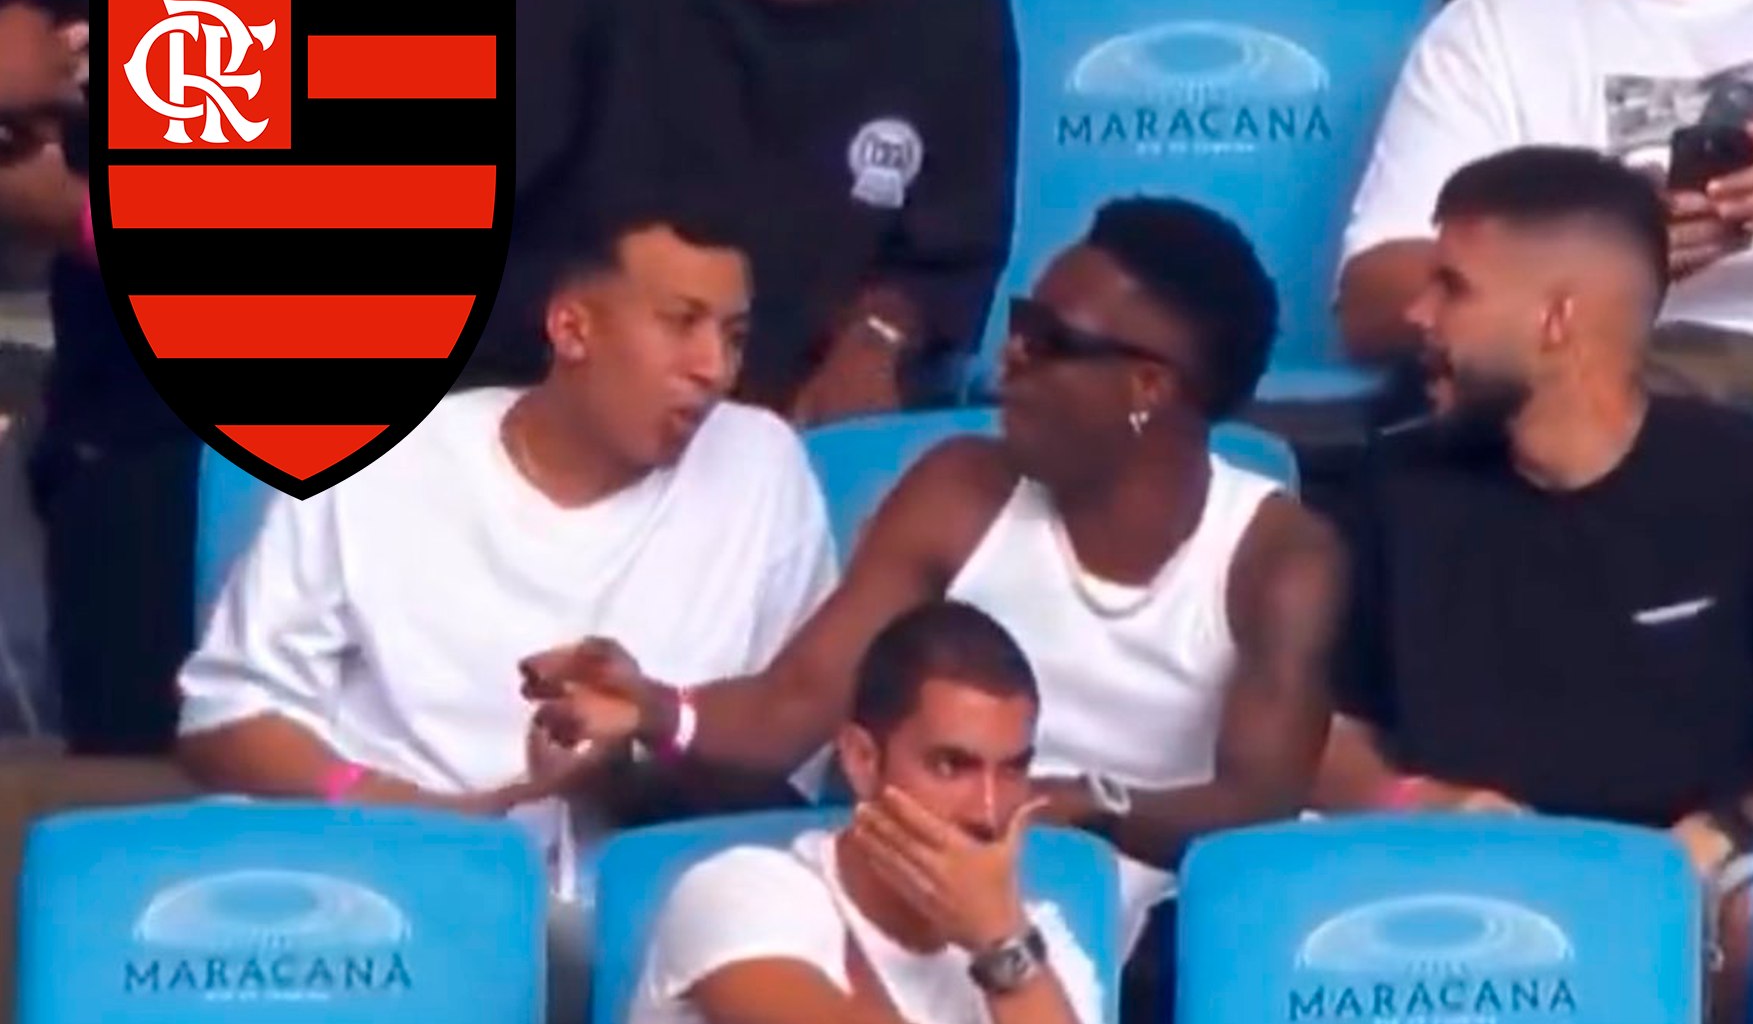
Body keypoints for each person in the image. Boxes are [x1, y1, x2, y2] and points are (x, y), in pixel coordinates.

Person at [523, 197, 1344, 1024]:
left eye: (1049, 339)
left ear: (1147, 388)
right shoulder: (960, 488)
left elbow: (1256, 807)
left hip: (1125, 913)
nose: (1008, 354)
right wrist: (654, 707)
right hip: (924, 883)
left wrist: (1080, 808)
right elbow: (795, 704)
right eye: (1020, 320)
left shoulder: (1280, 559)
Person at [173, 203, 837, 1024]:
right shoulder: (383, 458)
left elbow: (783, 782)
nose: (714, 368)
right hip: (396, 901)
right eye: (682, 324)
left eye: (735, 337)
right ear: (572, 328)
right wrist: (389, 803)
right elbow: (225, 716)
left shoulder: (761, 465)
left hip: (647, 933)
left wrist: (629, 767)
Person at [1315, 146, 1753, 1024]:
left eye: (1453, 286)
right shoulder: (1393, 488)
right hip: (1458, 874)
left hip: (1706, 875)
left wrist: (1727, 834)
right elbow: (1324, 740)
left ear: (1557, 319)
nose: (1417, 312)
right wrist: (1423, 803)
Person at [1335, 0, 1753, 667]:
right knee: (1558, 403)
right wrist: (1596, 255)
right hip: (1629, 368)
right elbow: (1370, 300)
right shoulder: (1497, 25)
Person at [0, 0, 405, 757]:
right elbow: (14, 99)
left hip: (390, 441)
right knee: (136, 793)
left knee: (370, 806)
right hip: (135, 434)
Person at [483, 0, 1018, 425]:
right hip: (546, 418)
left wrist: (876, 339)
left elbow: (948, 257)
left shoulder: (954, 8)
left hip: (797, 439)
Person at [630, 601, 1101, 1024]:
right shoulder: (740, 893)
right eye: (950, 766)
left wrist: (1000, 939)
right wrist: (1003, 952)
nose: (988, 812)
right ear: (862, 760)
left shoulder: (1042, 949)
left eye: (1012, 770)